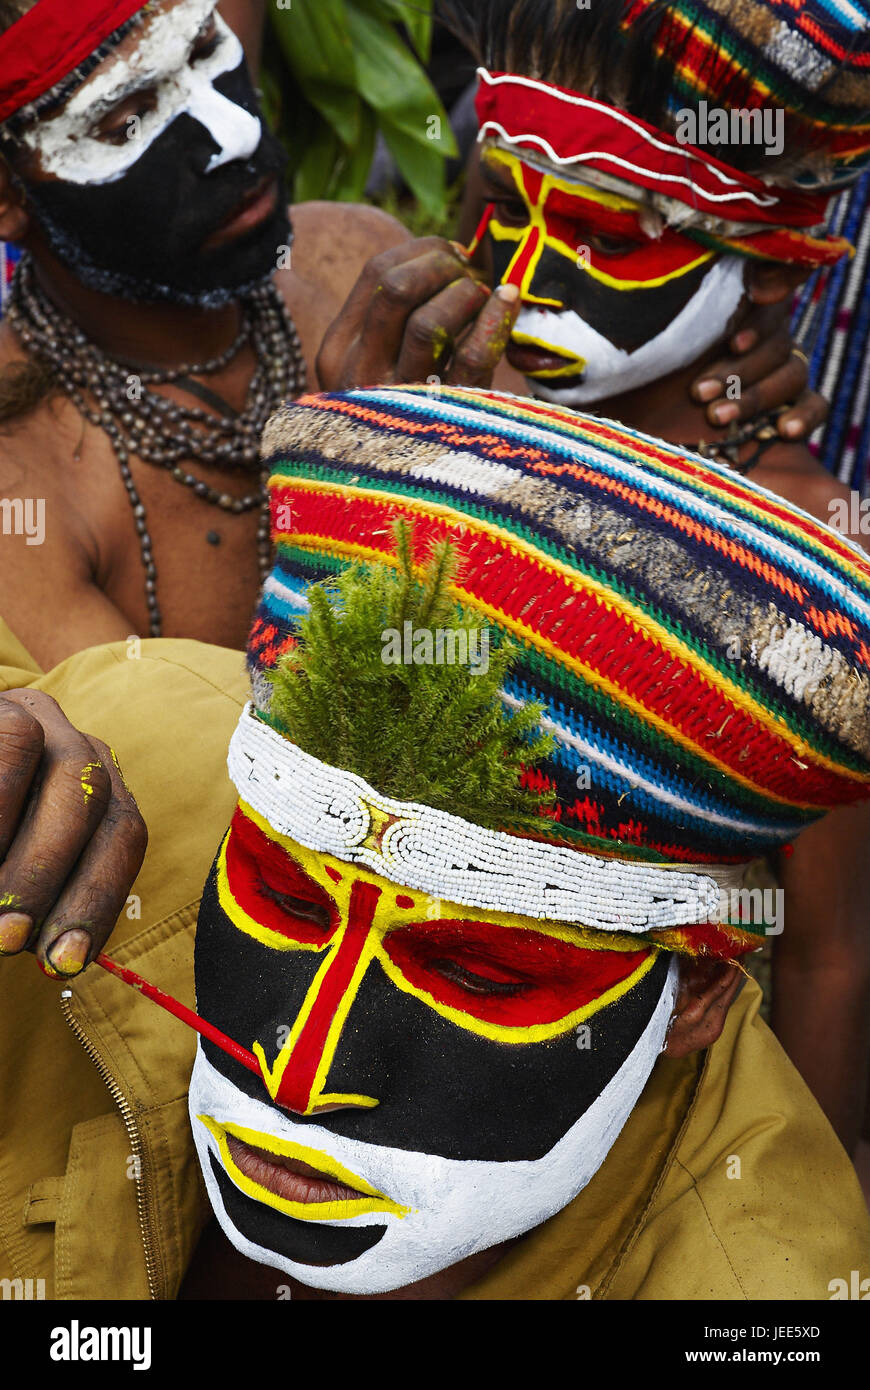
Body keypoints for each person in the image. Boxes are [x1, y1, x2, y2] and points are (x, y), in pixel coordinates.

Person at [2, 384, 869, 1299]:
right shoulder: (126, 748)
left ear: (695, 994)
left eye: (478, 976)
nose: (300, 1075)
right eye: (287, 899)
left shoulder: (763, 1301)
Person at [428, 0, 870, 1159]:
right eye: (504, 214)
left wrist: (780, 1225)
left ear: (768, 280)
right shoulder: (443, 417)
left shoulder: (813, 547)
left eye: (605, 238)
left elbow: (833, 950)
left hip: (668, 1136)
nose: (516, 283)